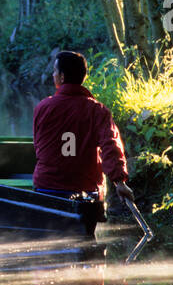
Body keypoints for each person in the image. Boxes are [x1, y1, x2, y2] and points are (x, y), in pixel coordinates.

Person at [32, 51, 134, 205]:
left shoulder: (42, 107)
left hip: (47, 188)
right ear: (84, 77)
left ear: (62, 77)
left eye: (54, 71)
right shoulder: (98, 110)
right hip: (86, 191)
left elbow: (38, 146)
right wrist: (119, 182)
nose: (53, 75)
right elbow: (111, 145)